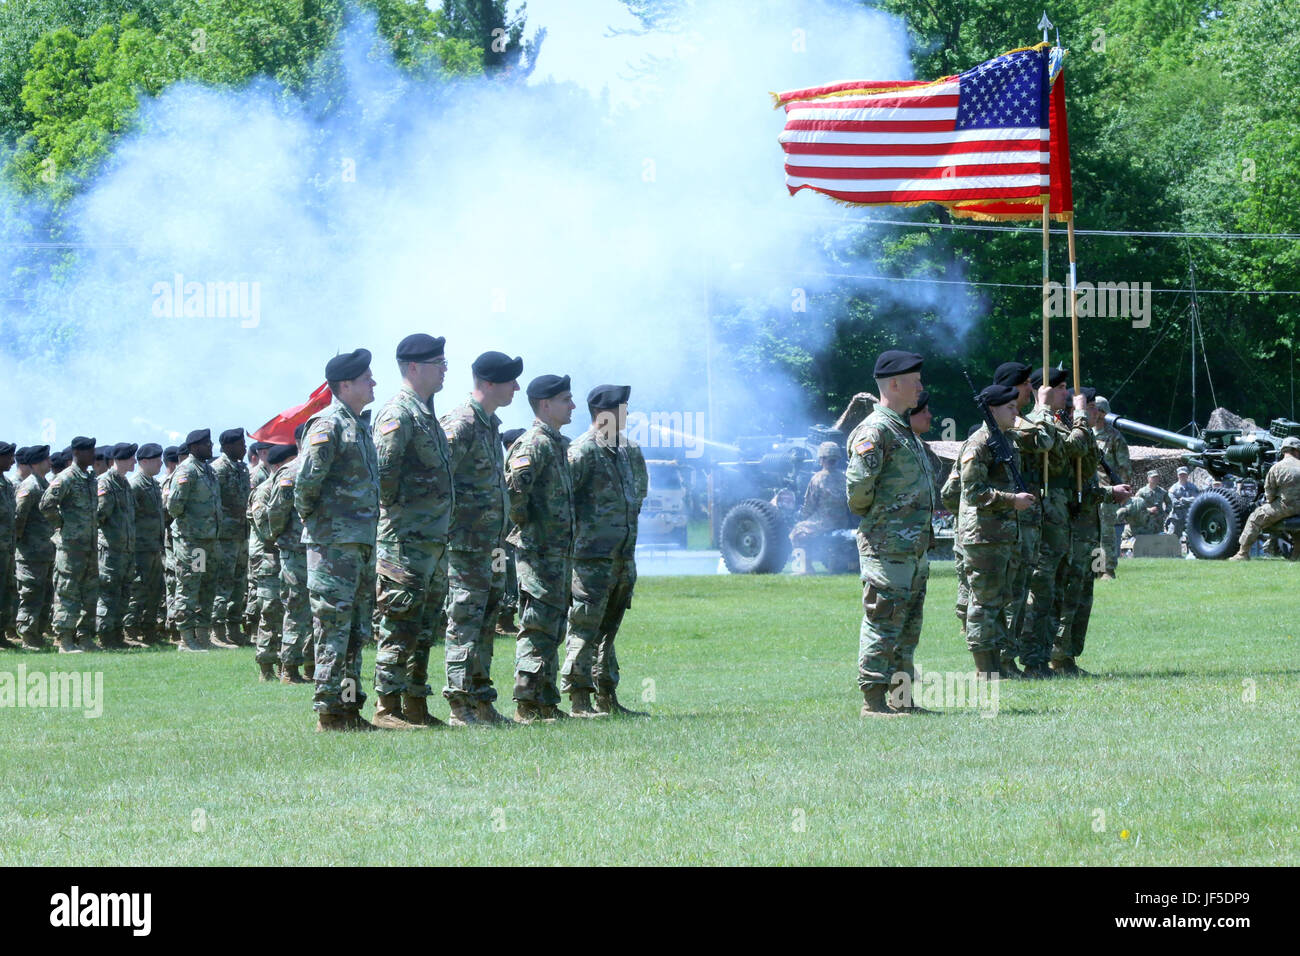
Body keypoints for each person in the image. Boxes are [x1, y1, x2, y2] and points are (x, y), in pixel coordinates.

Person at [371, 333, 455, 729]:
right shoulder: (398, 413)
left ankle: (415, 703)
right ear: (414, 367)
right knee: (399, 623)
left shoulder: (426, 413)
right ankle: (387, 708)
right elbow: (384, 475)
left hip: (431, 541)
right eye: (438, 364)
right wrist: (406, 515)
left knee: (424, 627)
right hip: (404, 541)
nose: (444, 370)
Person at [296, 349, 382, 731]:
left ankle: (348, 708)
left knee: (356, 631)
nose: (374, 382)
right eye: (366, 378)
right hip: (333, 546)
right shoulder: (328, 424)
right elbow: (306, 483)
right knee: (333, 628)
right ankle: (329, 712)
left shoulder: (359, 426)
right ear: (345, 385)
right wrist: (321, 525)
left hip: (360, 543)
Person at [845, 350, 935, 715]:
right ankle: (873, 701)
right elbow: (857, 491)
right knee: (883, 621)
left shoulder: (902, 428)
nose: (920, 388)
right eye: (915, 382)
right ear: (894, 384)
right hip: (887, 546)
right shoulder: (876, 431)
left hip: (912, 548)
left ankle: (901, 700)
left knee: (907, 626)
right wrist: (884, 518)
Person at [441, 351, 522, 725]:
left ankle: (482, 702)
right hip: (466, 545)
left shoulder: (490, 424)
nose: (516, 387)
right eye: (510, 381)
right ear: (489, 383)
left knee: (487, 623)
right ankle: (460, 706)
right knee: (464, 623)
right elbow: (439, 480)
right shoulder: (461, 424)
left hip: (492, 545)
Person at [562, 384, 650, 717]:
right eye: (620, 409)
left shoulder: (629, 451)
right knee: (584, 629)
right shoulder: (581, 451)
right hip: (589, 560)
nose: (626, 414)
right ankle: (579, 699)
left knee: (608, 633)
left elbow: (638, 496)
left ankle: (606, 696)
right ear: (602, 414)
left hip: (622, 557)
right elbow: (564, 503)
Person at [506, 373, 577, 723]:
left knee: (552, 627)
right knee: (536, 626)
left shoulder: (557, 444)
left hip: (557, 552)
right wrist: (530, 527)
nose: (573, 406)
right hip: (538, 551)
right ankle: (527, 702)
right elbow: (515, 494)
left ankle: (546, 700)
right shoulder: (534, 443)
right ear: (546, 405)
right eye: (566, 399)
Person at [957, 384, 1038, 677]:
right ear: (992, 410)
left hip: (1004, 535)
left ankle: (999, 665)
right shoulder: (979, 444)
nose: (1016, 412)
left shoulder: (1006, 440)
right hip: (984, 537)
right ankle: (984, 668)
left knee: (1002, 601)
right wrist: (1011, 500)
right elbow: (972, 492)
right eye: (1010, 407)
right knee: (984, 603)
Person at [1016, 367, 1091, 679]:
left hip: (1061, 517)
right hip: (1044, 518)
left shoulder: (1057, 421)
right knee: (1042, 589)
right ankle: (1033, 658)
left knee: (1058, 589)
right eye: (1060, 388)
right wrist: (1081, 416)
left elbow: (1086, 457)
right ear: (1042, 391)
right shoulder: (1034, 421)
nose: (1067, 394)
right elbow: (1074, 447)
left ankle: (1049, 656)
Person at [1052, 389, 1131, 676]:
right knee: (1070, 593)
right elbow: (1074, 486)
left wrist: (1112, 491)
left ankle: (1069, 657)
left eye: (1095, 408)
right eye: (1088, 408)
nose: (1093, 413)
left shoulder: (1102, 437)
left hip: (1089, 521)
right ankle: (1058, 656)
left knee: (1083, 595)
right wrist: (1109, 492)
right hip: (1073, 525)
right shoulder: (1066, 438)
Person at [993, 361, 1054, 677]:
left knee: (1019, 592)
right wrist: (1043, 409)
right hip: (1008, 523)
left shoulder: (1018, 421)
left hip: (1026, 521)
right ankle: (1002, 660)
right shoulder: (1010, 424)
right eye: (1027, 383)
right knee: (1009, 594)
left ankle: (1010, 657)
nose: (1033, 388)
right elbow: (1044, 441)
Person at [39, 436, 100, 653]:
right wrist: (62, 525)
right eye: (89, 451)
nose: (93, 455)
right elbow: (46, 504)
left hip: (89, 546)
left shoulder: (90, 478)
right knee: (68, 592)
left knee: (89, 594)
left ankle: (84, 637)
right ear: (77, 453)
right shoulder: (66, 477)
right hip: (71, 547)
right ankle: (64, 640)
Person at [165, 430, 222, 652]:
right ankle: (186, 638)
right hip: (193, 542)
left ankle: (203, 636)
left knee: (207, 588)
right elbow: (174, 506)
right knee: (190, 587)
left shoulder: (207, 470)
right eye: (207, 443)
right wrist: (193, 524)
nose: (211, 446)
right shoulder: (187, 470)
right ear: (195, 447)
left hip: (209, 540)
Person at [264, 431, 311, 683]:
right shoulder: (291, 471)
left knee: (317, 610)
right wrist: (279, 535)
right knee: (296, 606)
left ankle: (311, 666)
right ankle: (290, 668)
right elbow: (276, 512)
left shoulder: (323, 465)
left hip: (319, 550)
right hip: (296, 550)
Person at [247, 446, 287, 681]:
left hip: (287, 559)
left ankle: (285, 663)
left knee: (288, 613)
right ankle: (266, 667)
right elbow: (266, 529)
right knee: (270, 612)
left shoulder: (287, 489)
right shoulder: (264, 491)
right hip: (268, 560)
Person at [211, 428, 251, 648]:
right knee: (223, 583)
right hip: (225, 536)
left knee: (239, 584)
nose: (244, 448)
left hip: (241, 534)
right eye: (240, 444)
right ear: (227, 446)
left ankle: (233, 629)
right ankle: (217, 630)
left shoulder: (241, 468)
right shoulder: (218, 469)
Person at [95, 442, 138, 650]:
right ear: (119, 460)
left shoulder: (124, 482)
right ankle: (105, 635)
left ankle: (117, 634)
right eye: (130, 458)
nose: (134, 461)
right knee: (108, 593)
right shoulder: (105, 482)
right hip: (110, 549)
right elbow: (98, 515)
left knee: (123, 593)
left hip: (126, 548)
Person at [1230, 436, 1300, 560]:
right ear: (1296, 450)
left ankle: (1242, 553)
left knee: (1255, 519)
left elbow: (1269, 491)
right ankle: (1296, 556)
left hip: (1285, 507)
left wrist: (1271, 502)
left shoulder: (1277, 467)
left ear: (1284, 450)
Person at [788, 441, 852, 574]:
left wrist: (801, 517)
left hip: (823, 522)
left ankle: (804, 569)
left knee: (797, 533)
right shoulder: (845, 477)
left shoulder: (817, 479)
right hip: (842, 521)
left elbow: (809, 505)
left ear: (821, 459)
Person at [14, 446, 54, 650]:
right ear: (37, 462)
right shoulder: (30, 486)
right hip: (30, 552)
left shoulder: (44, 485)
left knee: (44, 594)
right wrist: (22, 543)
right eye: (46, 459)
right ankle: (28, 636)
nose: (50, 462)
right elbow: (18, 518)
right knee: (31, 594)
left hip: (45, 551)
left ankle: (37, 634)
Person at [125, 443, 166, 646]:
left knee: (155, 590)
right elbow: (128, 517)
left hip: (154, 546)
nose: (161, 463)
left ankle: (149, 631)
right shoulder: (135, 485)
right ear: (144, 461)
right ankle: (130, 631)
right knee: (138, 589)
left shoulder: (153, 484)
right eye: (156, 460)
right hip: (139, 547)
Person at [1092, 397, 1132, 579]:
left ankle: (1107, 569)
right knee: (1093, 532)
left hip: (1109, 492)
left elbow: (1124, 467)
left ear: (1102, 413)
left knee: (1106, 532)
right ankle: (1096, 569)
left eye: (1095, 409)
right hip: (1091, 491)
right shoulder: (1086, 434)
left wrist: (1123, 493)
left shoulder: (1115, 437)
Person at [496, 427, 526, 636]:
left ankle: (506, 618)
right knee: (502, 573)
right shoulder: (505, 468)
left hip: (508, 536)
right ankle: (501, 619)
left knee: (510, 574)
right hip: (499, 539)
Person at [1119, 471, 1171, 538]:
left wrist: (1166, 513)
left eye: (1156, 477)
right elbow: (1135, 506)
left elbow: (1169, 503)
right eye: (1153, 477)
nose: (1155, 479)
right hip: (1146, 522)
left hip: (1158, 522)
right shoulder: (1142, 492)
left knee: (1158, 540)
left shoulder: (1162, 491)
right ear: (1148, 479)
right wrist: (1148, 510)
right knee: (1147, 539)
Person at [0, 441, 16, 648]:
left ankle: (1, 635)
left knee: (6, 592)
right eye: (8, 456)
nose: (13, 461)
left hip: (7, 549)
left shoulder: (7, 484)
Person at [1167, 466, 1201, 538]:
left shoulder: (1193, 487)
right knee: (1172, 538)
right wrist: (1189, 501)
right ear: (1177, 475)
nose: (1182, 476)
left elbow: (1197, 499)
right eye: (1180, 475)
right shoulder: (1173, 489)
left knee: (1193, 537)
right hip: (1176, 517)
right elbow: (1174, 502)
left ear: (1187, 475)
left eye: (1184, 474)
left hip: (1190, 516)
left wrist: (1183, 499)